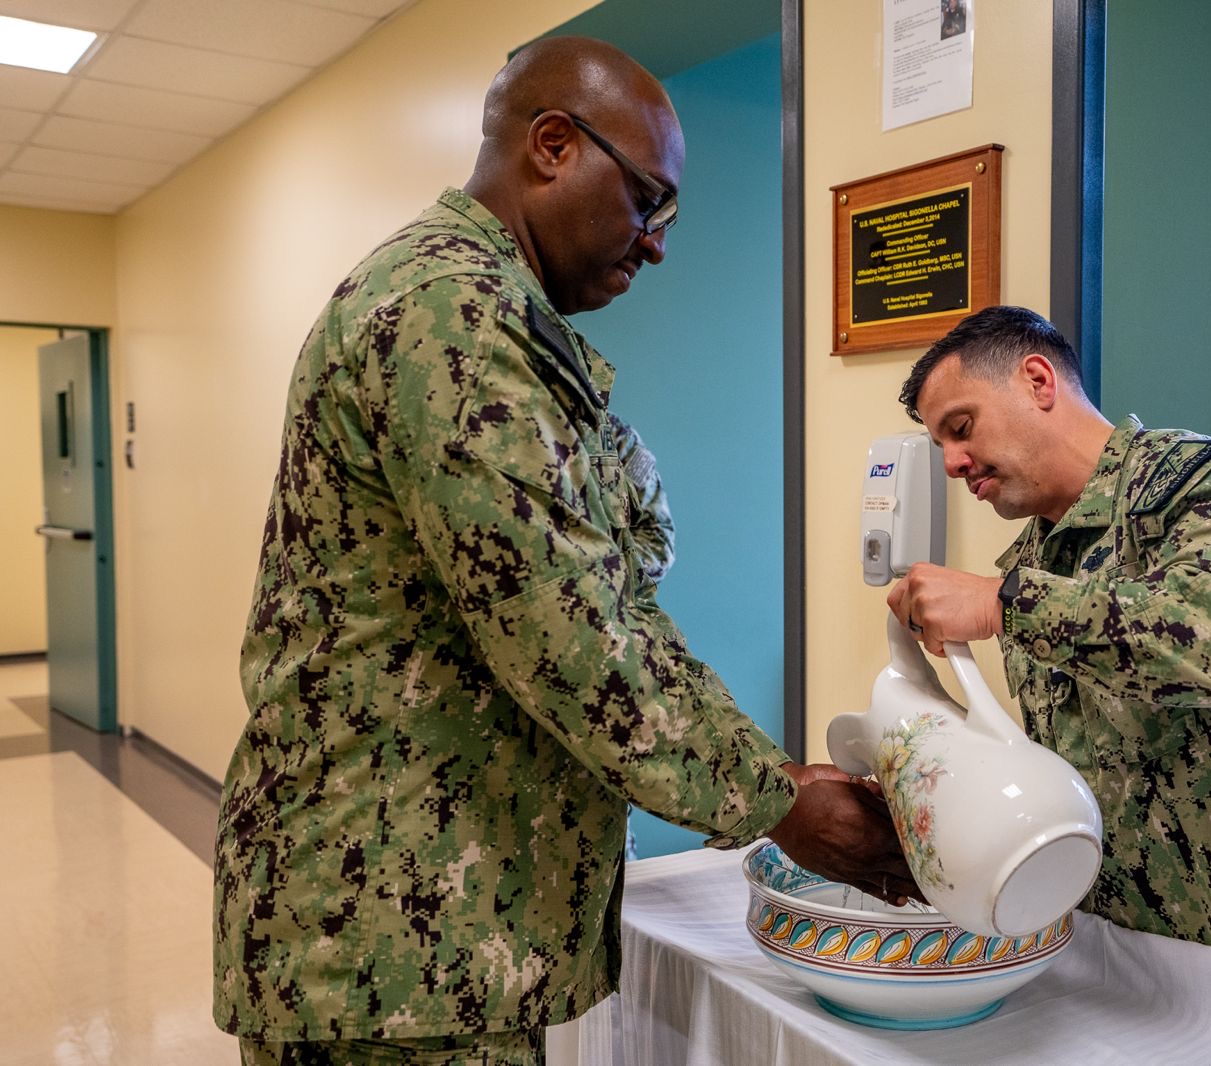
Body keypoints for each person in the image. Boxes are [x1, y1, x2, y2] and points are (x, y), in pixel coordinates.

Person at [213, 37, 913, 1065]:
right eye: (647, 200)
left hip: (420, 933)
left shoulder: (504, 326)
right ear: (552, 145)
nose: (658, 242)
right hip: (385, 948)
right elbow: (569, 631)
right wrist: (775, 798)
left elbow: (609, 575)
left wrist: (770, 774)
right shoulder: (451, 314)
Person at [885, 305, 1211, 1022]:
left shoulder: (1203, 487)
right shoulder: (1033, 560)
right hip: (1123, 965)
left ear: (1037, 380)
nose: (952, 463)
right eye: (940, 444)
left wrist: (1006, 605)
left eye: (961, 428)